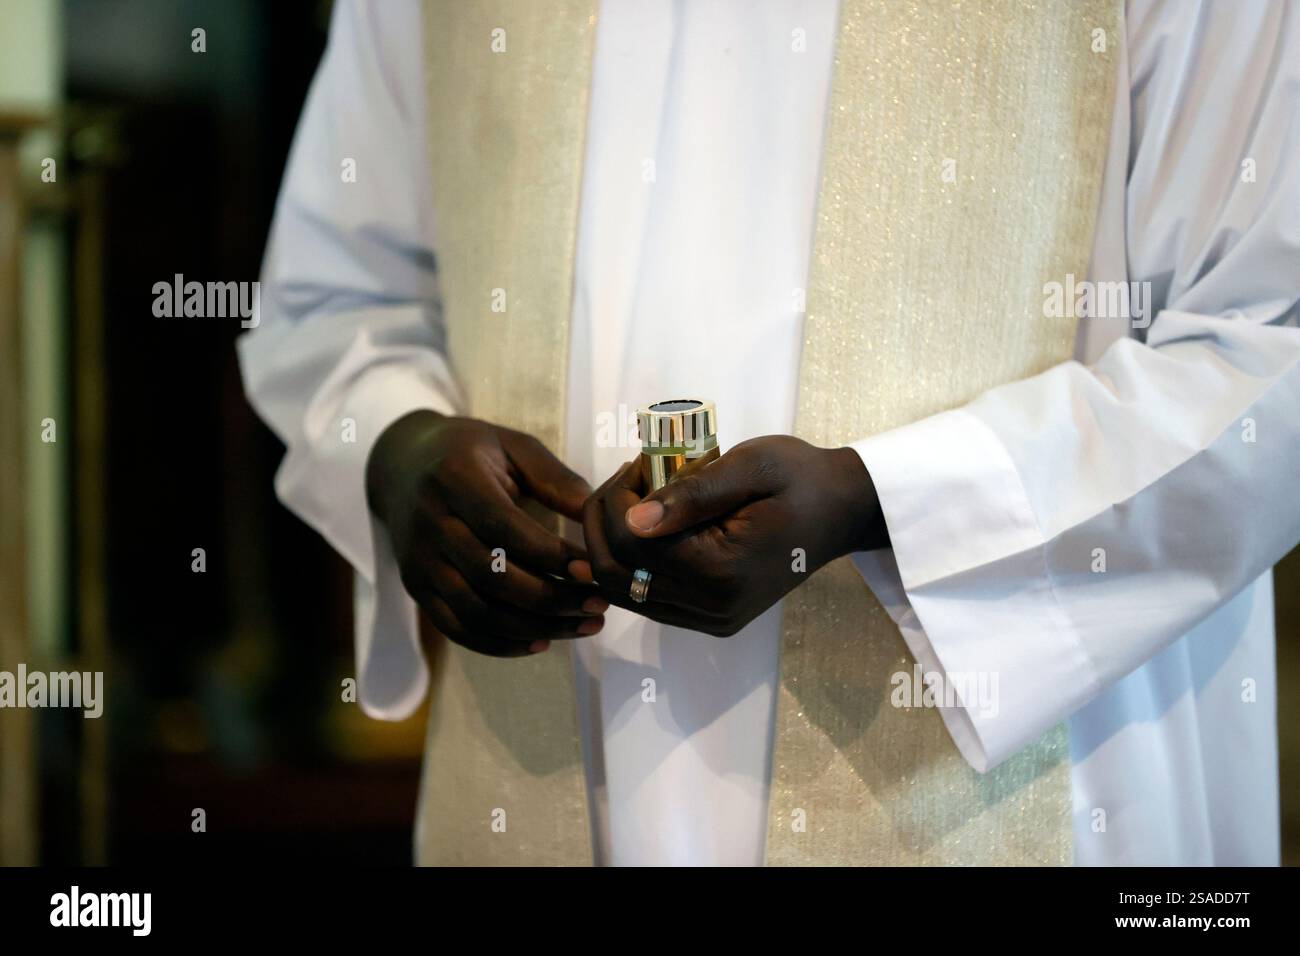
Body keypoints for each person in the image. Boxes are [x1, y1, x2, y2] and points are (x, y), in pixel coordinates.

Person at [240, 0, 1300, 865]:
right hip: (541, 767)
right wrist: (397, 446)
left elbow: (1266, 348)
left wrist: (888, 501)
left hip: (1010, 779)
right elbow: (338, 294)